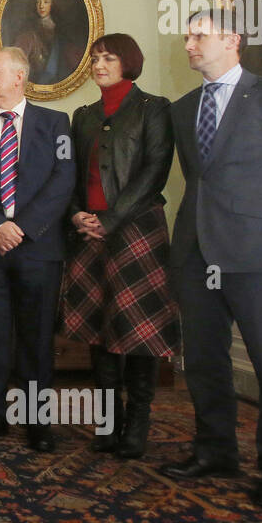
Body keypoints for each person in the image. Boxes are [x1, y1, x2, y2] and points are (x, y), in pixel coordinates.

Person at [162, 7, 262, 508]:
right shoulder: (183, 108)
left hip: (260, 256)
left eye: (199, 35)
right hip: (196, 254)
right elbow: (200, 180)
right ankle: (216, 451)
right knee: (205, 362)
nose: (189, 44)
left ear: (233, 39)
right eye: (186, 36)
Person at [61, 34, 179, 459]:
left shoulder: (154, 108)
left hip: (136, 231)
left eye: (108, 57)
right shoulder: (83, 116)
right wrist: (77, 214)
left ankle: (138, 421)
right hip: (89, 233)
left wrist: (110, 219)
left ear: (128, 61)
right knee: (100, 331)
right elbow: (70, 175)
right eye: (95, 58)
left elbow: (154, 173)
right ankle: (108, 423)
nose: (99, 64)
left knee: (138, 331)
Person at [0, 47, 74, 452]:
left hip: (37, 248)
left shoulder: (57, 124)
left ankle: (37, 418)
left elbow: (63, 180)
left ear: (19, 77)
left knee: (35, 335)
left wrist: (19, 228)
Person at [12, 0, 83, 86]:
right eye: (38, 2)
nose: (41, 6)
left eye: (46, 2)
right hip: (36, 77)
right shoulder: (28, 30)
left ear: (52, 4)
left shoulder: (61, 28)